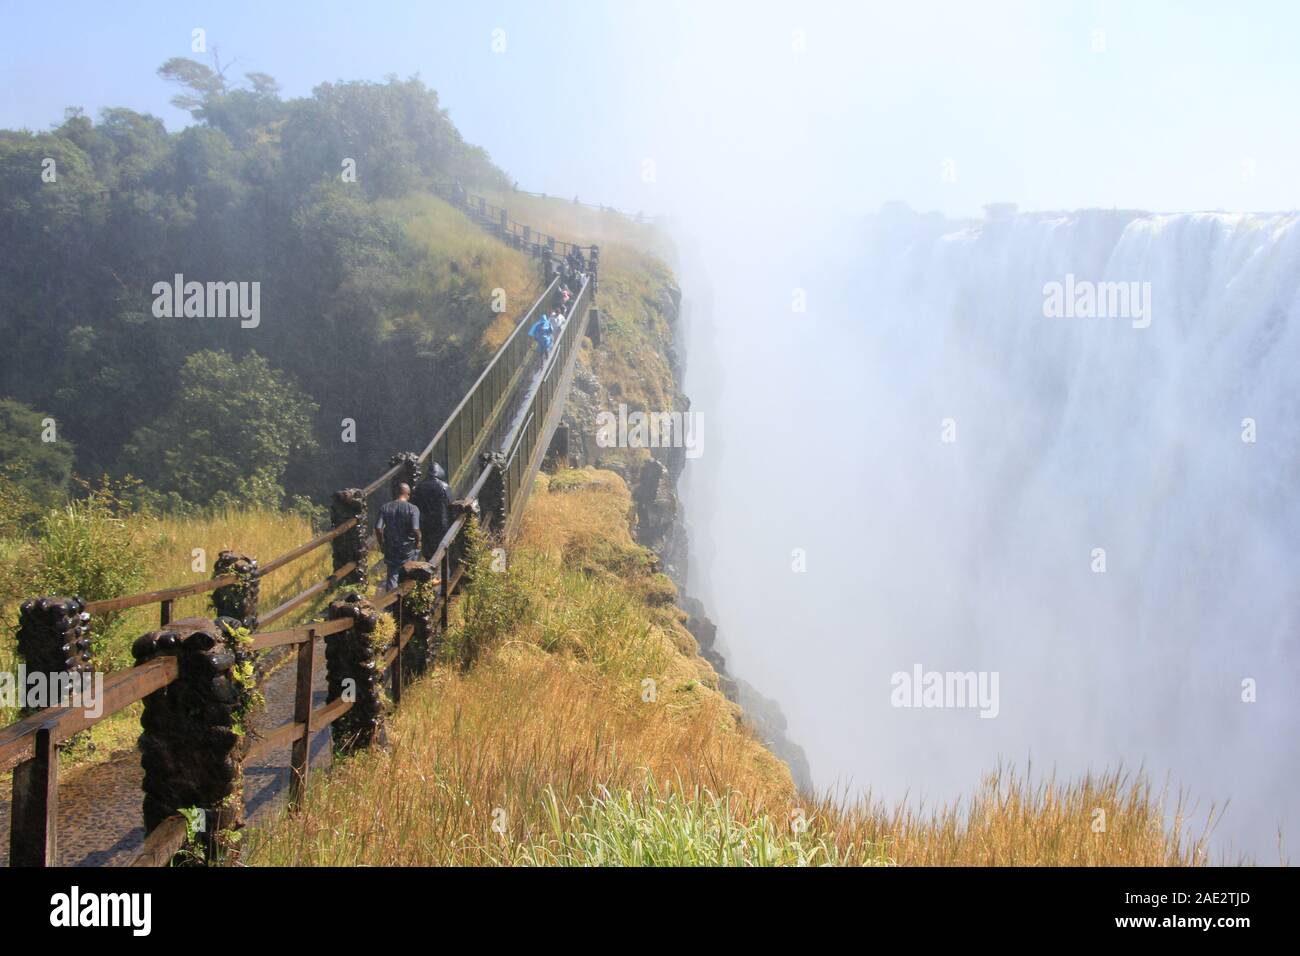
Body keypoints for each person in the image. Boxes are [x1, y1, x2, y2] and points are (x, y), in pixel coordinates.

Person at [375, 483, 421, 590]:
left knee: (392, 574)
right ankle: (406, 595)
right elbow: (415, 529)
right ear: (408, 495)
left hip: (390, 547)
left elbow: (378, 528)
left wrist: (382, 543)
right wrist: (418, 541)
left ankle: (391, 603)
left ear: (396, 493)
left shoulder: (385, 507)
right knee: (410, 570)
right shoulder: (413, 509)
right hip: (407, 549)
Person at [411, 462, 453, 562]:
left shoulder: (420, 487)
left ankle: (428, 570)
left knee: (428, 548)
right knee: (442, 547)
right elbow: (450, 504)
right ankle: (441, 570)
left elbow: (415, 504)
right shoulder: (444, 486)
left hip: (425, 522)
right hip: (441, 522)